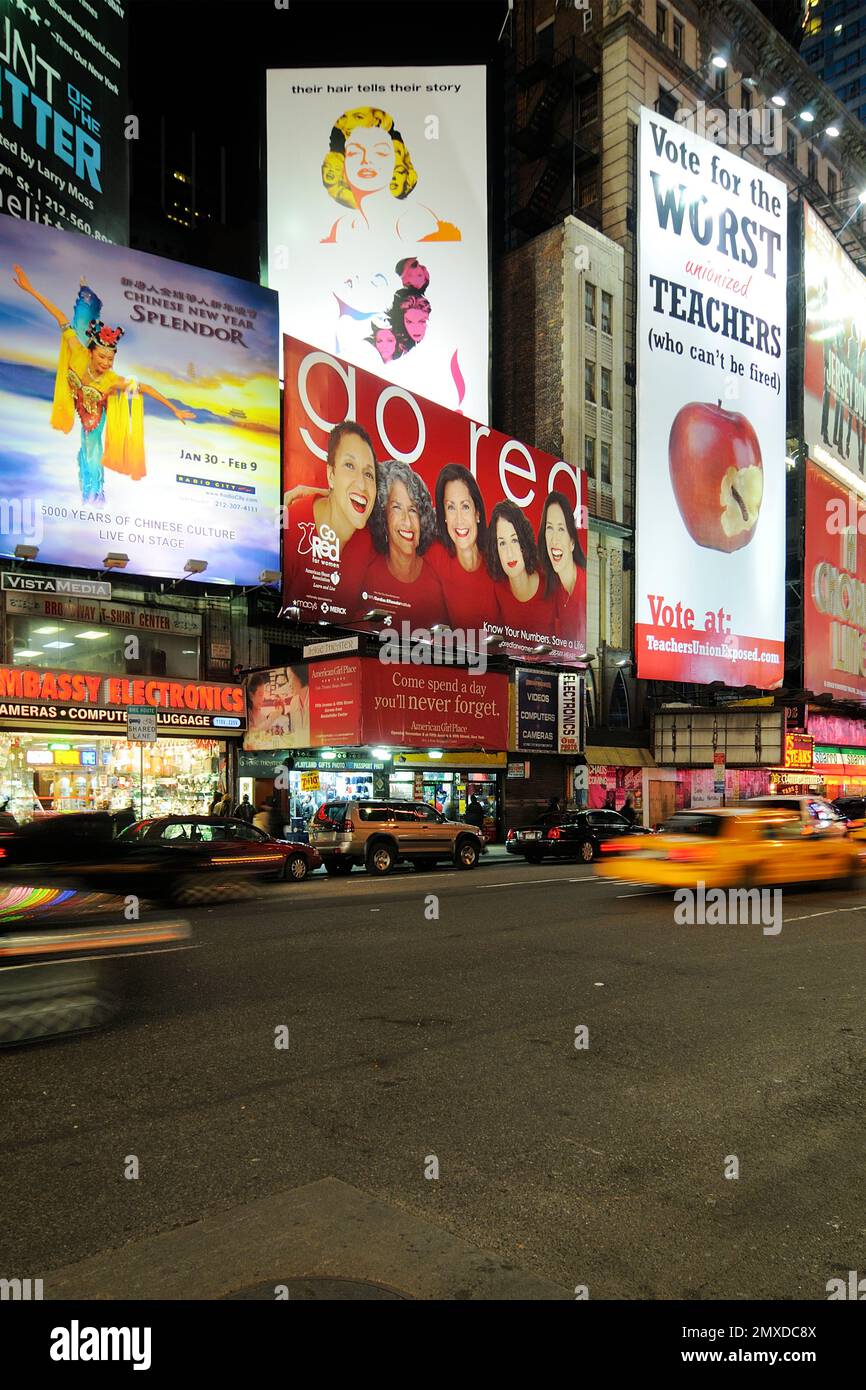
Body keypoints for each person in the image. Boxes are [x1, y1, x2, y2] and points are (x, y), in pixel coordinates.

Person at [12, 266, 194, 503]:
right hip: (77, 387)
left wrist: (173, 408)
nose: (107, 362)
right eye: (102, 357)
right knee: (79, 322)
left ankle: (94, 495)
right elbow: (60, 318)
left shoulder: (112, 380)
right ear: (91, 353)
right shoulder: (78, 351)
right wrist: (30, 290)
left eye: (111, 358)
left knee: (92, 450)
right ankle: (87, 296)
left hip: (95, 412)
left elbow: (145, 388)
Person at [320, 105, 461, 243]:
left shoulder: (418, 222)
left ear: (396, 159)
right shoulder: (344, 227)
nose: (366, 160)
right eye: (355, 152)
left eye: (379, 152)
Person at [282, 421, 379, 616]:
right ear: (331, 474)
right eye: (349, 465)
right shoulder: (292, 523)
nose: (361, 483)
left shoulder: (370, 542)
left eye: (369, 474)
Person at [360, 459, 445, 627]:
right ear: (383, 514)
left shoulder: (438, 579)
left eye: (413, 510)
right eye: (397, 507)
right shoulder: (368, 575)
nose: (407, 521)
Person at [427, 463, 499, 633]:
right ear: (443, 515)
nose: (459, 519)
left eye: (465, 506)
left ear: (477, 513)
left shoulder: (497, 564)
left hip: (496, 658)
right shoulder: (434, 554)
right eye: (451, 507)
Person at [487, 499, 557, 634]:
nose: (509, 552)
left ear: (524, 541)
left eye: (514, 540)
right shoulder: (496, 590)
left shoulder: (550, 585)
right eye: (502, 543)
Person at [538, 492, 587, 657]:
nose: (554, 540)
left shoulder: (583, 588)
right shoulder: (549, 587)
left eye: (561, 529)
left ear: (572, 541)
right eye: (549, 528)